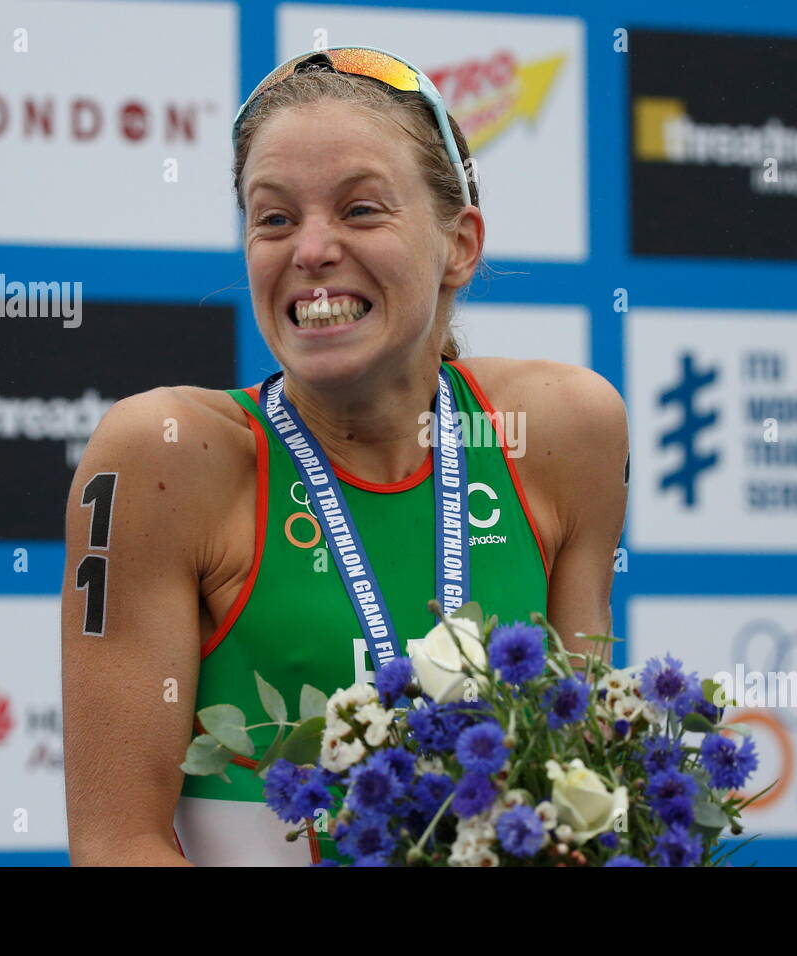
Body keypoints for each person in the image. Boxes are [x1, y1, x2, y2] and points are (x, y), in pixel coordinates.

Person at [60, 47, 629, 866]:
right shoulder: (170, 456)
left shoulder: (563, 432)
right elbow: (118, 844)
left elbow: (587, 784)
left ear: (460, 244)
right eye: (275, 217)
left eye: (362, 210)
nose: (312, 249)